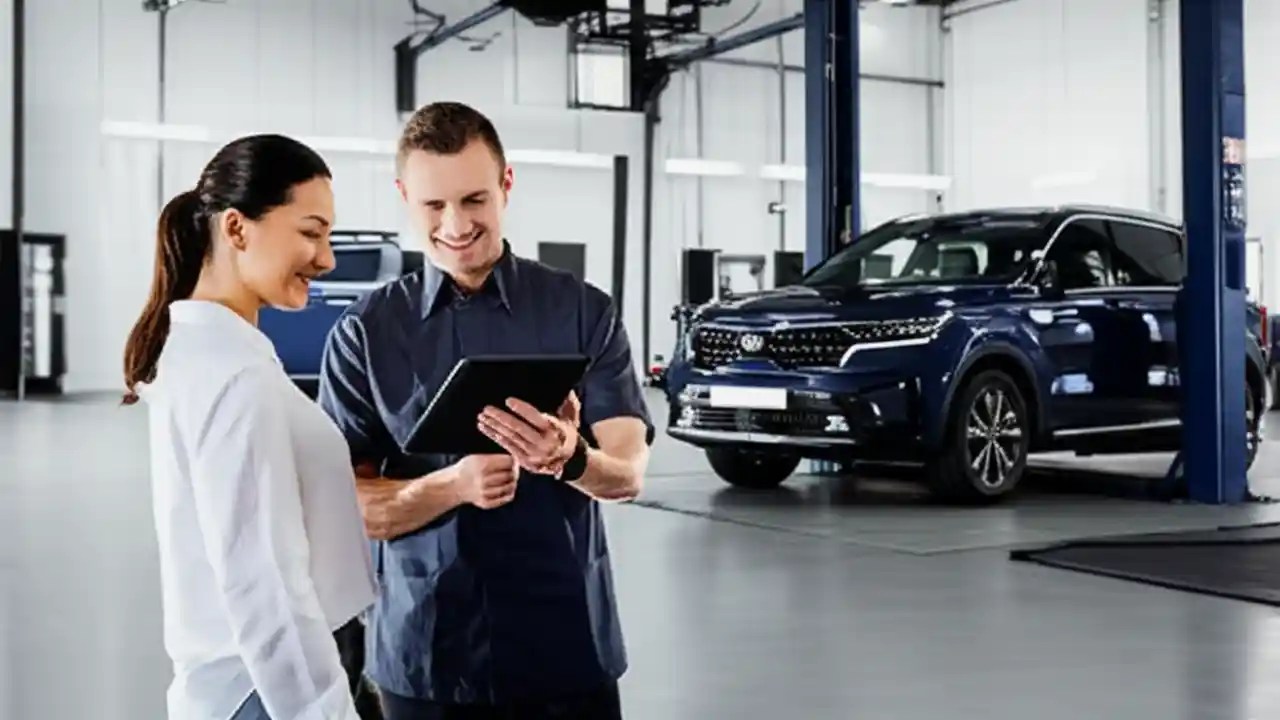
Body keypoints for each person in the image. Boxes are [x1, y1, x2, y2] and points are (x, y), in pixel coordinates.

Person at [317, 101, 653, 719]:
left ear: (506, 185)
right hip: (426, 653)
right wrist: (452, 485)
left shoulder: (582, 312)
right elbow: (347, 507)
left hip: (565, 643)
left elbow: (628, 473)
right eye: (433, 205)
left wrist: (570, 458)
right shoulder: (365, 333)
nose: (455, 223)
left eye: (474, 199)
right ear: (403, 196)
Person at [123, 134, 377, 720]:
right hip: (270, 688)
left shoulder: (204, 352)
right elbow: (264, 582)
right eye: (310, 233)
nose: (327, 258)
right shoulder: (236, 375)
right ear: (237, 229)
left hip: (250, 680)